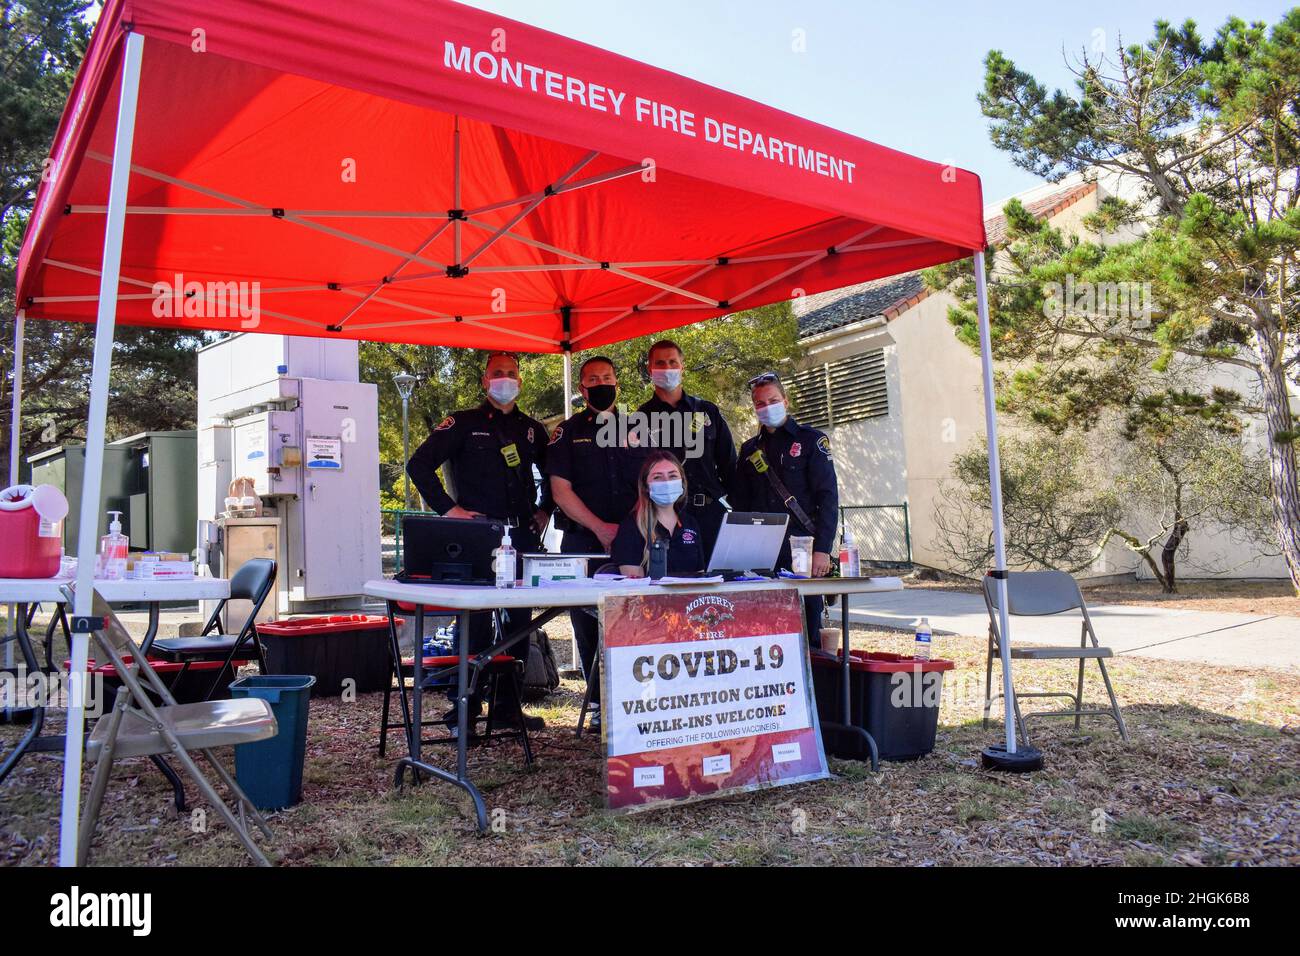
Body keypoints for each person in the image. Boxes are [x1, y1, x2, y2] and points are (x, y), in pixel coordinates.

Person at [406, 351, 551, 731]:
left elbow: (556, 473)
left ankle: (507, 707)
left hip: (520, 536)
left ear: (521, 381)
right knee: (475, 625)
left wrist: (545, 509)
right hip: (476, 536)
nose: (506, 379)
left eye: (512, 373)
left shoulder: (532, 430)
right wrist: (449, 510)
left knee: (519, 624)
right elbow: (418, 465)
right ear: (485, 381)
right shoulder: (463, 423)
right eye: (498, 373)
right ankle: (464, 710)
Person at [546, 355, 643, 729]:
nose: (600, 384)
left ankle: (636, 702)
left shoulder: (639, 428)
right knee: (586, 623)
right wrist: (601, 528)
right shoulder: (567, 432)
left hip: (633, 542)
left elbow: (651, 482)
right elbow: (560, 490)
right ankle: (600, 705)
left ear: (617, 383)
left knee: (635, 618)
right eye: (592, 379)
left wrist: (629, 530)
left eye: (606, 377)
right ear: (582, 388)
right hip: (583, 541)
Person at [729, 371, 839, 644]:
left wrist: (823, 550)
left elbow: (828, 498)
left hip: (802, 550)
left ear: (785, 401)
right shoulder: (749, 449)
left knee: (808, 628)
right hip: (761, 554)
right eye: (760, 403)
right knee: (764, 626)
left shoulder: (811, 440)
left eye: (773, 400)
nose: (767, 407)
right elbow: (741, 505)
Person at [636, 339, 736, 556]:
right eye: (660, 363)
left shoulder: (706, 411)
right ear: (650, 370)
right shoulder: (640, 418)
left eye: (673, 362)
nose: (667, 368)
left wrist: (737, 513)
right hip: (666, 519)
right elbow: (638, 474)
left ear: (682, 366)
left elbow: (730, 467)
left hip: (711, 516)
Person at [611, 451, 707, 577]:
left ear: (682, 482)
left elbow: (700, 577)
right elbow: (633, 584)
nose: (666, 482)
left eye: (672, 476)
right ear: (646, 486)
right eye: (657, 477)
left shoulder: (690, 523)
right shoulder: (631, 527)